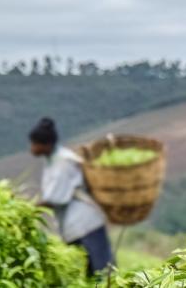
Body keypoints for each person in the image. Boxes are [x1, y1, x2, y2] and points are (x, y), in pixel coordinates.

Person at [29, 118, 114, 275]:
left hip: (86, 224)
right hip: (74, 227)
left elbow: (55, 198)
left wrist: (29, 208)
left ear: (46, 144)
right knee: (86, 274)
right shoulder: (52, 160)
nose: (32, 148)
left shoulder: (63, 161)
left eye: (34, 144)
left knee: (103, 271)